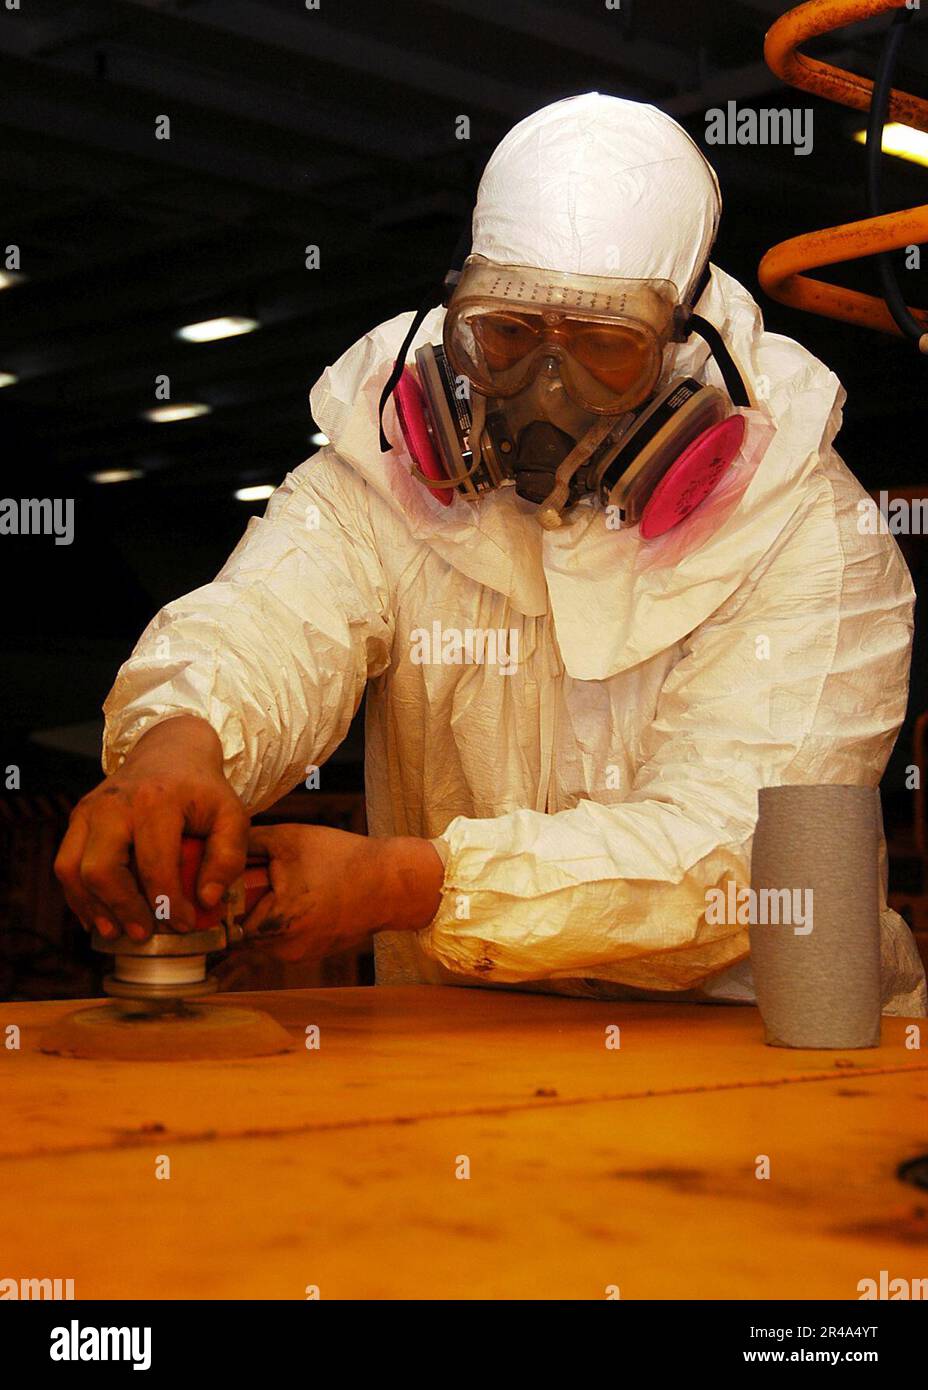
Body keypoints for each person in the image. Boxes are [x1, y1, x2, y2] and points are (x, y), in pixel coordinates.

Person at [55, 94, 926, 1013]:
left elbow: (739, 856)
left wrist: (411, 885)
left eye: (605, 346)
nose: (545, 389)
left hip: (766, 1065)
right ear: (455, 311)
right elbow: (269, 620)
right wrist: (176, 748)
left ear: (687, 344)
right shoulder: (386, 472)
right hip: (463, 1056)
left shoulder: (806, 530)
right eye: (506, 335)